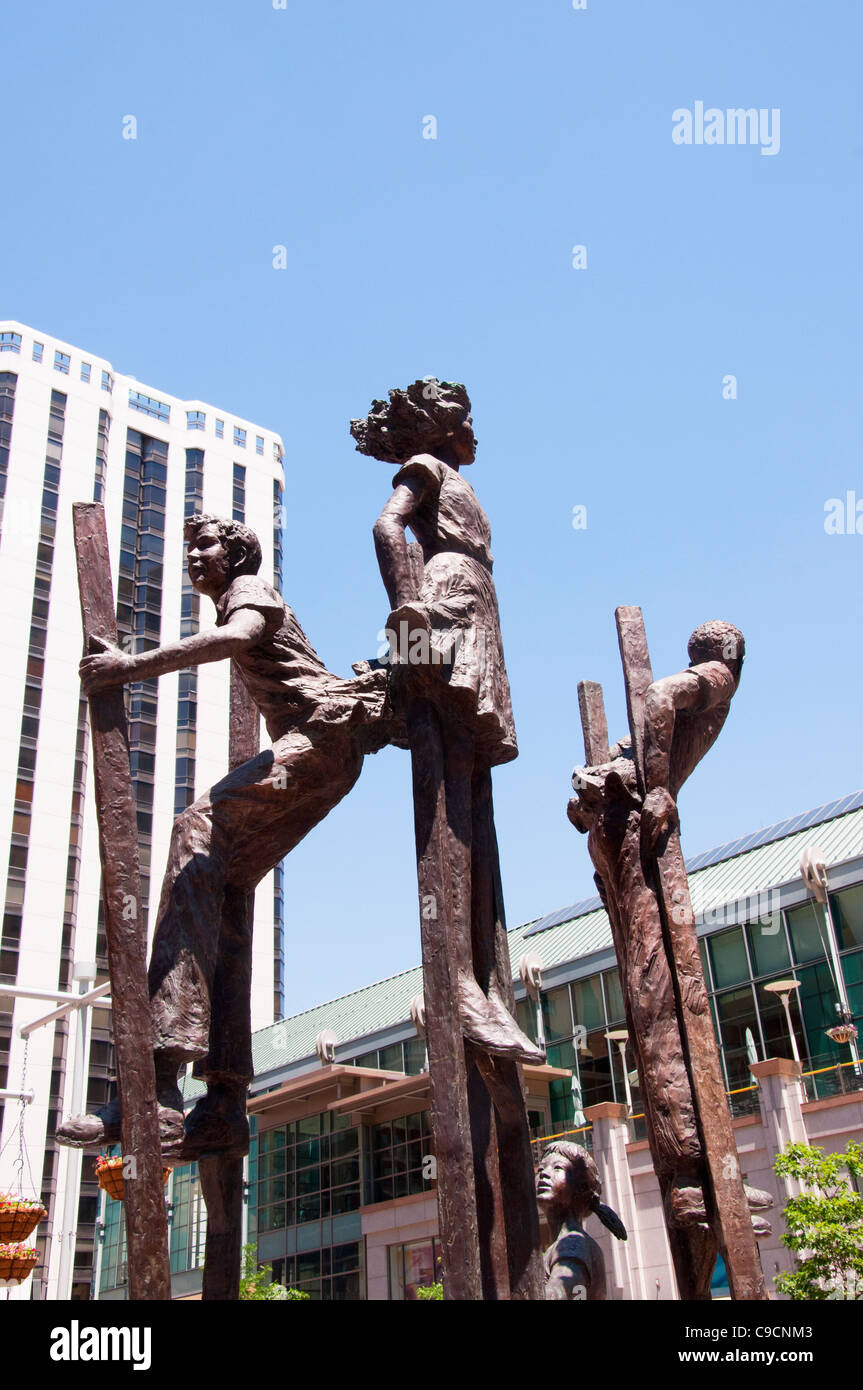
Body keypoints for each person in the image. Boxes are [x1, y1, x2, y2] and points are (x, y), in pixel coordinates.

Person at [57, 514, 391, 1158]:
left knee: (195, 831)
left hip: (317, 743)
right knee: (228, 887)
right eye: (190, 548)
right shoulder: (245, 594)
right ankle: (224, 1103)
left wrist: (132, 666)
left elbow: (232, 640)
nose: (194, 556)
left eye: (206, 544)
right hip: (327, 755)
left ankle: (153, 1085)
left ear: (237, 555)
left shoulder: (250, 592)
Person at [568, 622, 771, 1295]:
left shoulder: (714, 683)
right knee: (648, 982)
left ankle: (690, 1172)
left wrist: (641, 785)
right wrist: (643, 786)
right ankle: (688, 1170)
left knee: (649, 982)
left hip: (623, 818)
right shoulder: (714, 681)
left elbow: (651, 705)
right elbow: (653, 702)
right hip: (624, 817)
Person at [352, 378, 542, 1062]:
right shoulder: (428, 469)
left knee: (471, 791)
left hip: (471, 602)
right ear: (436, 430)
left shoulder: (452, 475)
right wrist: (408, 610)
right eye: (464, 419)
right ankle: (457, 982)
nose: (474, 431)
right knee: (448, 789)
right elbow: (385, 526)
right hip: (445, 601)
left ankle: (482, 981)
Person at [536, 1141, 626, 1300]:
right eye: (541, 1168)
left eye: (557, 1168)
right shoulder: (564, 1244)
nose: (544, 1173)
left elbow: (559, 1292)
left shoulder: (572, 1243)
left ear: (581, 1189)